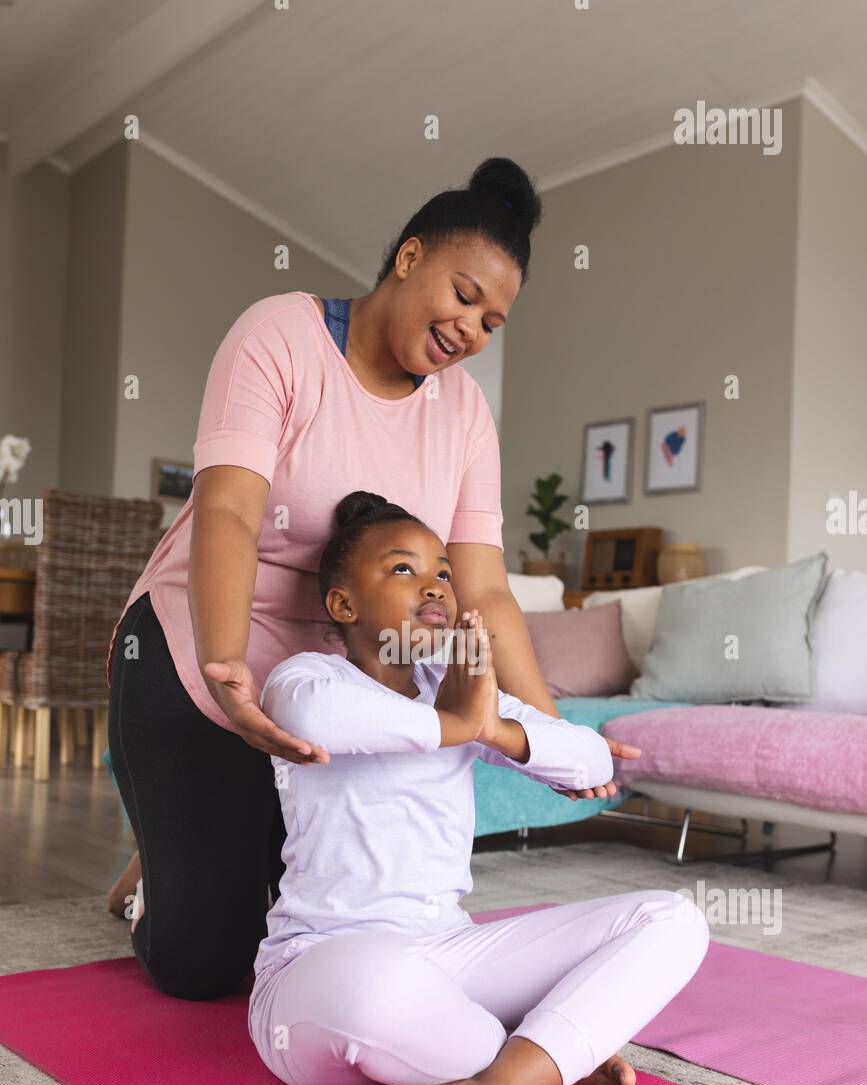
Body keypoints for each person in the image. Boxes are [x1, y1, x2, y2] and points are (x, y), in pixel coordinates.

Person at [106, 155, 641, 1000]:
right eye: (464, 296)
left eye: (492, 322)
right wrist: (227, 669)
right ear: (408, 257)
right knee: (203, 964)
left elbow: (486, 590)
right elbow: (230, 514)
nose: (471, 329)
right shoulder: (280, 335)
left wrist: (550, 737)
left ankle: (203, 837)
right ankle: (161, 868)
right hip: (198, 649)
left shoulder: (463, 412)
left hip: (343, 690)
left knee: (343, 935)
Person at [247, 490, 711, 1085]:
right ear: (343, 607)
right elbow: (323, 724)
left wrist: (491, 725)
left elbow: (588, 759)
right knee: (375, 985)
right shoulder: (304, 681)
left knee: (672, 921)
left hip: (450, 955)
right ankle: (544, 1058)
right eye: (403, 570)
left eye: (441, 571)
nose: (434, 585)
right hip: (321, 968)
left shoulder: (457, 689)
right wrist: (467, 722)